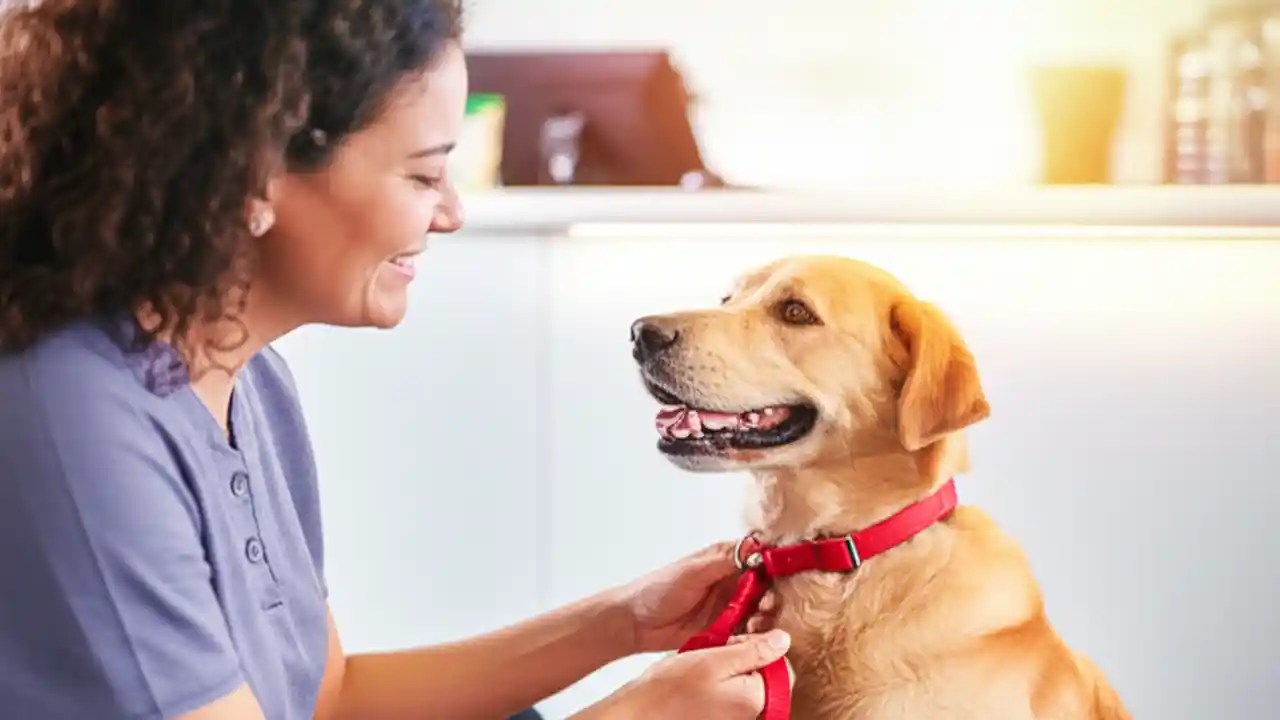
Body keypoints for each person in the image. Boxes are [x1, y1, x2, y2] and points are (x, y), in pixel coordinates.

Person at [0, 1, 792, 719]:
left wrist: (622, 621)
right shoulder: (75, 414)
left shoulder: (250, 383)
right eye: (422, 174)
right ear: (257, 170)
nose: (451, 212)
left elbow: (331, 699)